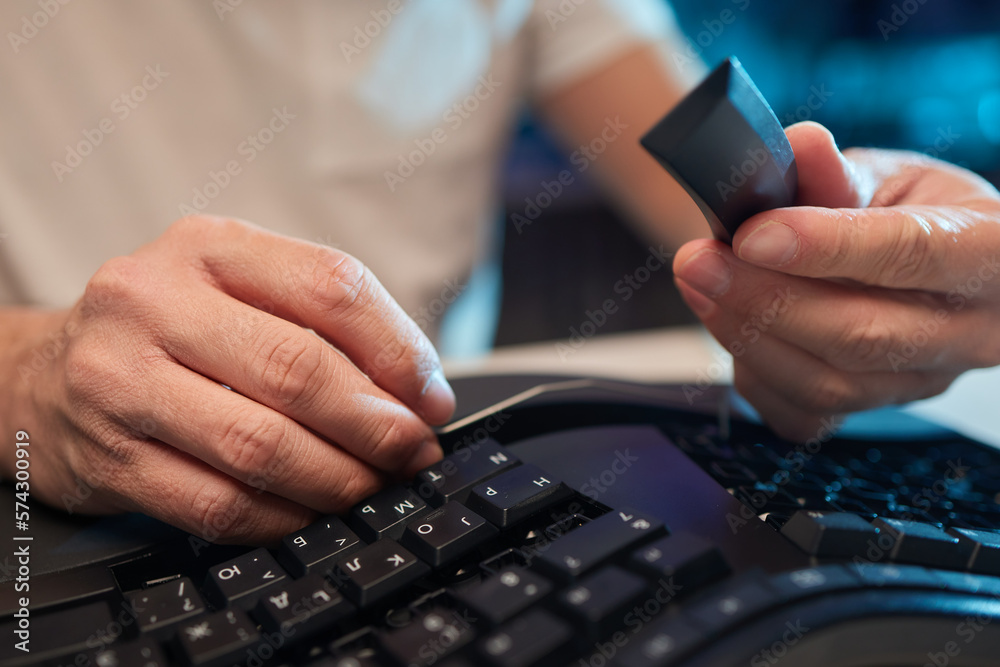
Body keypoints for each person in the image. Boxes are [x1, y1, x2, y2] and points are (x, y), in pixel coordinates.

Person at [1, 1, 998, 544]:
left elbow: (728, 178)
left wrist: (855, 245)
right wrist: (28, 372)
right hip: (66, 510)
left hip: (432, 486)